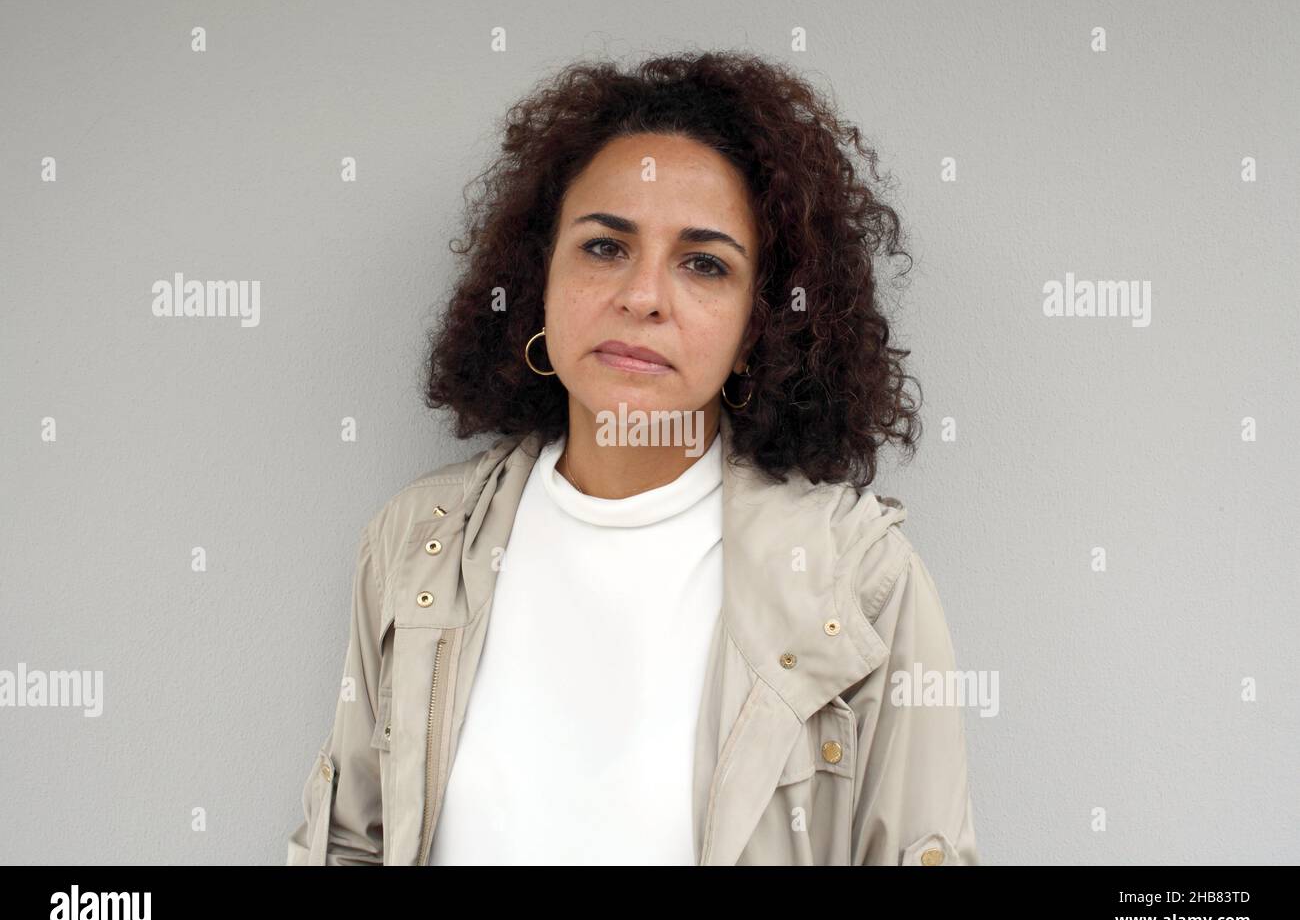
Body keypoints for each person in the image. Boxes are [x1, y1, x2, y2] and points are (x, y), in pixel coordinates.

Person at [287, 51, 978, 866]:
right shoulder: (415, 544)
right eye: (605, 247)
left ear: (759, 326)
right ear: (537, 278)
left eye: (704, 264)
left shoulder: (860, 581)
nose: (644, 294)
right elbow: (349, 846)